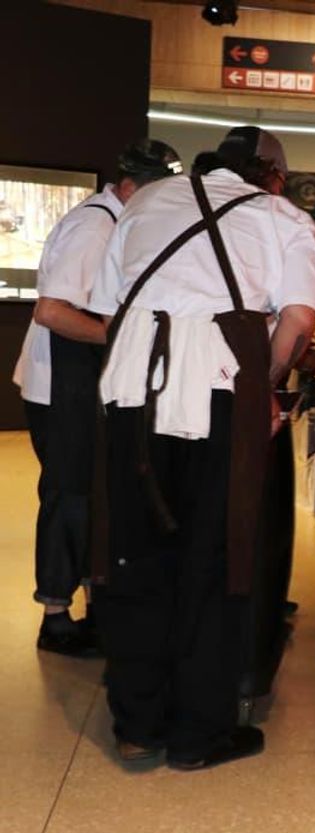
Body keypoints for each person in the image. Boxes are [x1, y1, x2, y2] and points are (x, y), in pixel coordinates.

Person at [88, 125, 315, 769]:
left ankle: (138, 723)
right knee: (216, 559)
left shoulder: (146, 201)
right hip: (219, 394)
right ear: (272, 177)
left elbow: (111, 309)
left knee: (134, 556)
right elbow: (298, 321)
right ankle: (198, 733)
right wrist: (265, 388)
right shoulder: (281, 217)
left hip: (134, 393)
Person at [12, 138, 182, 656]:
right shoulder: (95, 227)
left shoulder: (116, 222)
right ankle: (56, 616)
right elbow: (51, 311)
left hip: (82, 384)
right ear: (132, 186)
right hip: (60, 385)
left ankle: (86, 603)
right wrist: (124, 335)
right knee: (68, 497)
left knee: (87, 496)